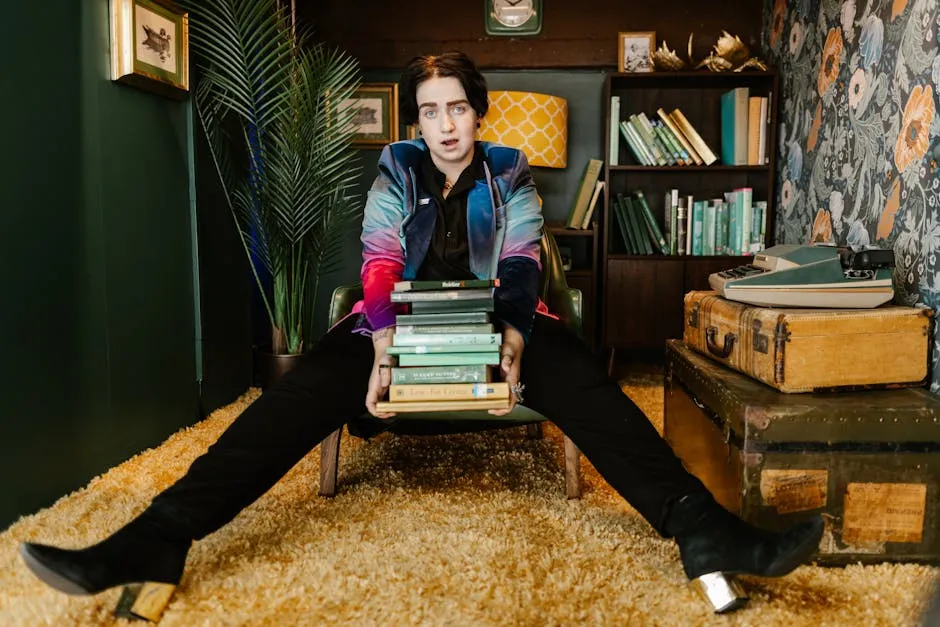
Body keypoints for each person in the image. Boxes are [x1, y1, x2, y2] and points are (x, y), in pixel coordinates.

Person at [20, 51, 823, 618]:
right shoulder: (396, 170)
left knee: (583, 379)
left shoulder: (509, 168)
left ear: (479, 111)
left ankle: (703, 529)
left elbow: (519, 261)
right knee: (296, 394)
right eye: (430, 111)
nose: (445, 125)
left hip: (496, 318)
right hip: (395, 324)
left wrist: (512, 342)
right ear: (418, 119)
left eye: (458, 108)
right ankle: (157, 536)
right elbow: (374, 261)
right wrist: (379, 346)